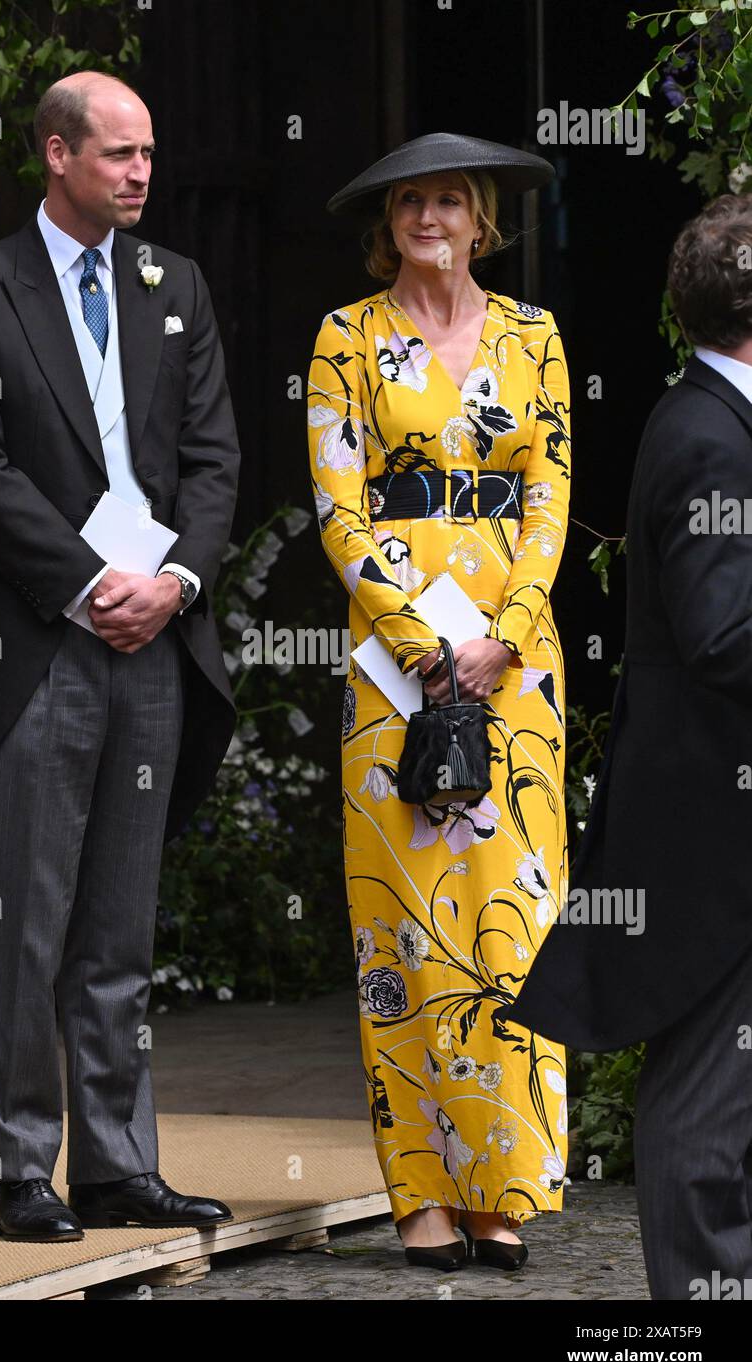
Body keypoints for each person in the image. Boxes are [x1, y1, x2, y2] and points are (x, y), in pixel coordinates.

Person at [0, 73, 240, 1241]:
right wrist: (84, 581)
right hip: (41, 642)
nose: (141, 172)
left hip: (155, 635)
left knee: (119, 920)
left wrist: (173, 584)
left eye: (148, 152)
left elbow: (212, 457)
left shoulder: (178, 286)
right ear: (56, 156)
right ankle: (18, 1166)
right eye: (118, 153)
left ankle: (116, 1164)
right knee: (26, 919)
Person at [308, 132, 570, 1271]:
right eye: (410, 200)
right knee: (404, 926)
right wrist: (422, 641)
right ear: (387, 220)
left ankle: (502, 1186)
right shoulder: (342, 338)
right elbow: (335, 507)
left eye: (449, 200)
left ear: (480, 219)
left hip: (514, 673)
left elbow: (550, 492)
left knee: (510, 924)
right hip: (393, 664)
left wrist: (502, 636)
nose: (429, 216)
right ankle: (419, 1194)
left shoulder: (533, 336)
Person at [509, 193, 752, 1301]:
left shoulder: (704, 416)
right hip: (712, 835)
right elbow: (719, 635)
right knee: (707, 1107)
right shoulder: (707, 437)